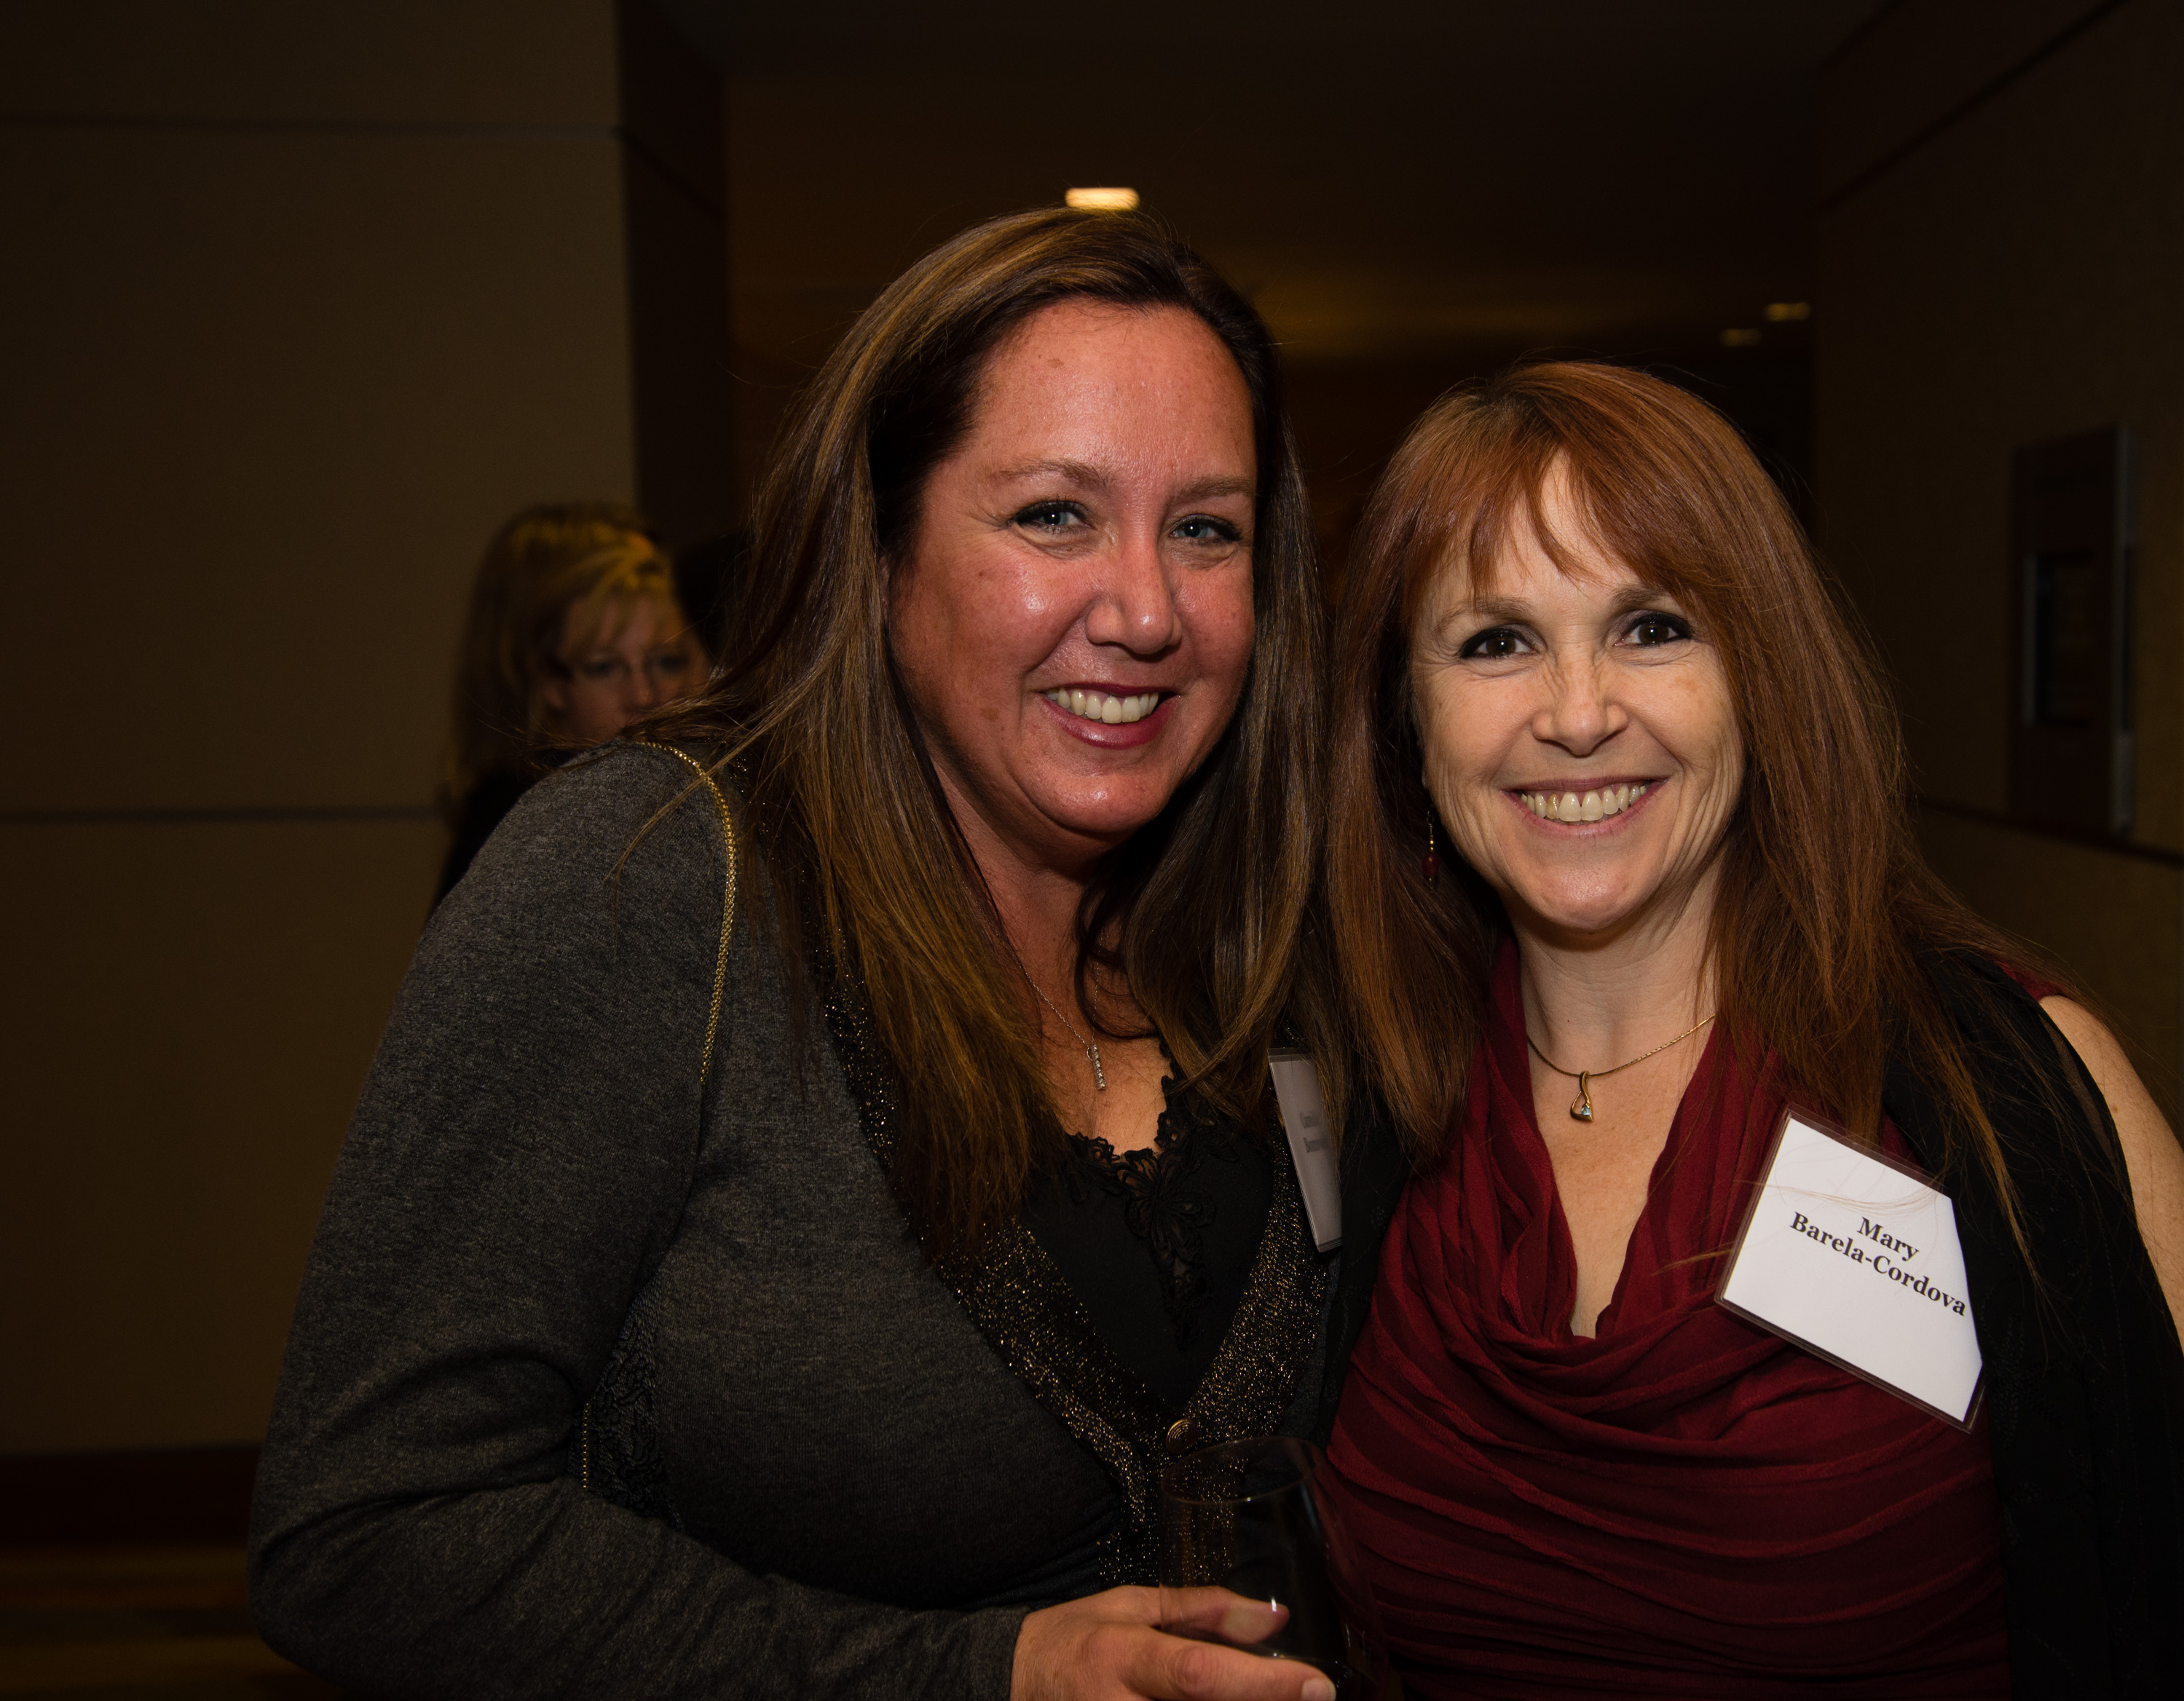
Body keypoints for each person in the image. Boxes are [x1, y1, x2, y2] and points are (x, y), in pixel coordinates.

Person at [251, 209, 1388, 1701]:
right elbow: (366, 1533)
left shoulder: (1267, 921)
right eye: (1053, 513)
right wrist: (969, 1676)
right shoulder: (655, 880)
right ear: (886, 533)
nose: (1146, 610)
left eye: (1206, 529)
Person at [1315, 363, 2184, 1699]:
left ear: (1760, 678)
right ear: (1401, 726)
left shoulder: (2012, 1096)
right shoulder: (1359, 1116)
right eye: (1496, 641)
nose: (1581, 711)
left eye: (1654, 626)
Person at [435, 508, 709, 902]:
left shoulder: (684, 793)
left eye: (668, 662)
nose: (645, 697)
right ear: (548, 681)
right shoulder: (529, 821)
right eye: (604, 667)